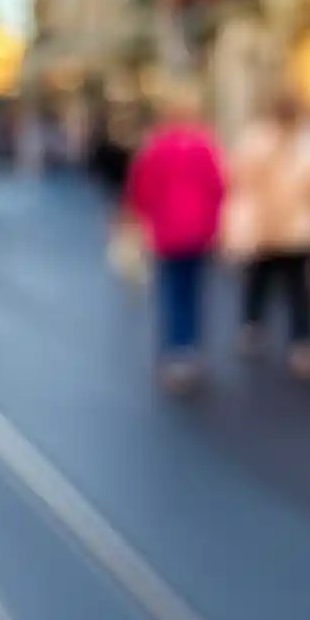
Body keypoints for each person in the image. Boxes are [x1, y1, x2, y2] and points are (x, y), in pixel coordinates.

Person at [225, 92, 310, 380]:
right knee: (270, 280)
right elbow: (242, 176)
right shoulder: (264, 139)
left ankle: (292, 339)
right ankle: (264, 328)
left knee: (292, 283)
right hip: (271, 224)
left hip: (296, 226)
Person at [124, 85, 225, 393]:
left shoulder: (154, 148)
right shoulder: (205, 146)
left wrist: (138, 220)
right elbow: (218, 187)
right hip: (197, 232)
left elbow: (139, 190)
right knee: (192, 289)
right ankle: (189, 348)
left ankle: (175, 350)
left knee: (171, 291)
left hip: (166, 232)